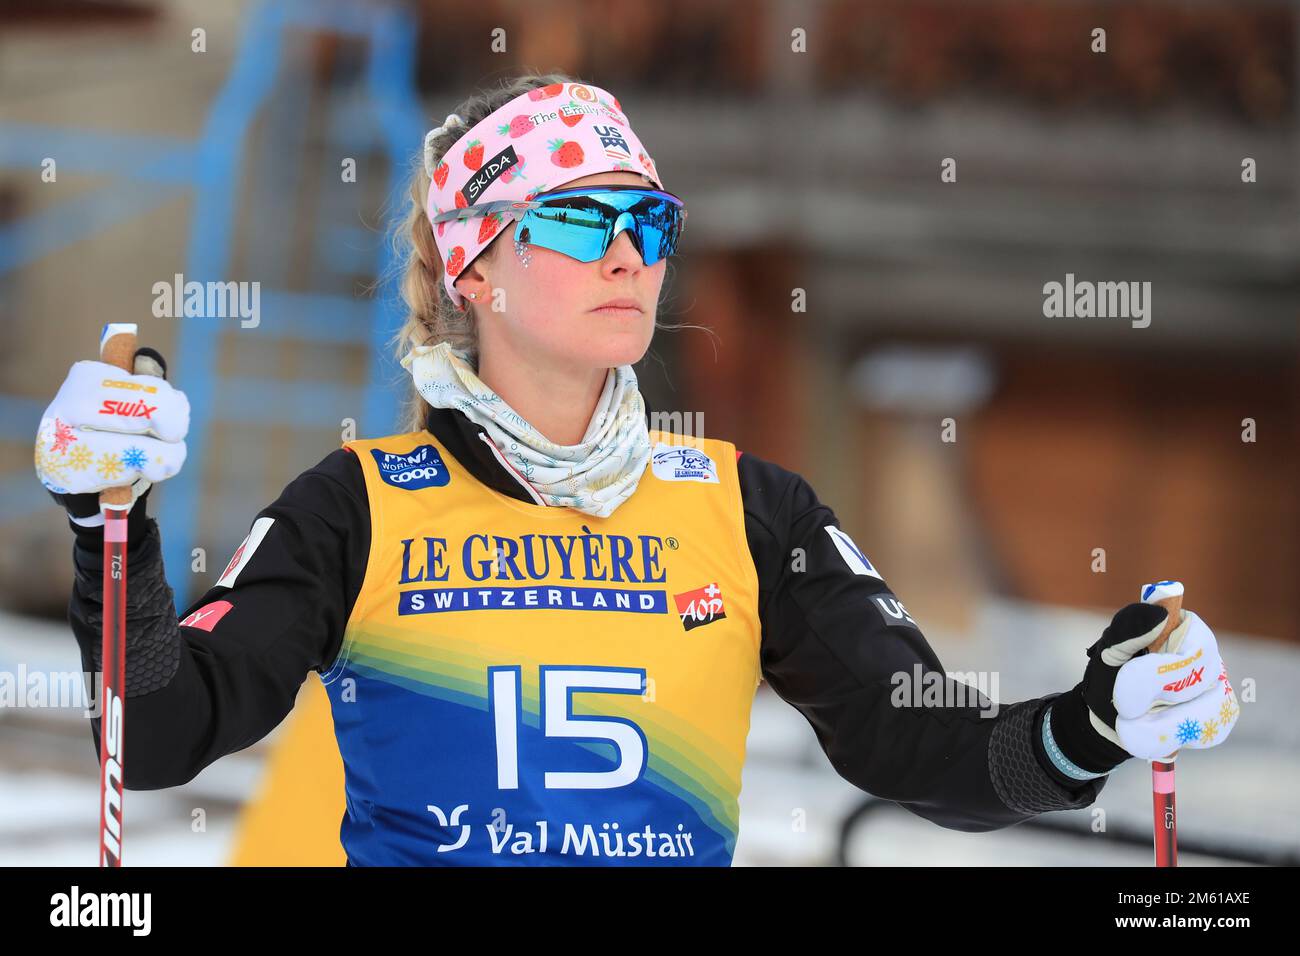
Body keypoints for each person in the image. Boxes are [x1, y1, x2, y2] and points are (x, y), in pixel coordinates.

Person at [34, 72, 1239, 866]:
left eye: (647, 221)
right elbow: (160, 731)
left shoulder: (749, 506)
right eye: (574, 219)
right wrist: (110, 527)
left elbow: (919, 751)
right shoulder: (357, 502)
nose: (627, 251)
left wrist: (1095, 722)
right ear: (475, 265)